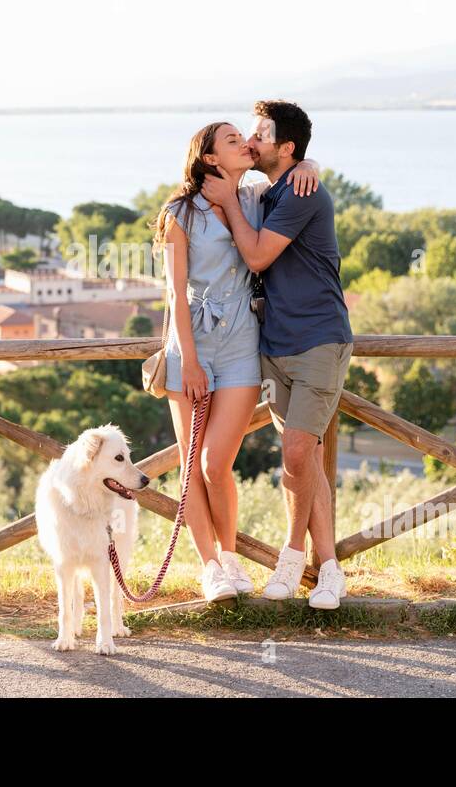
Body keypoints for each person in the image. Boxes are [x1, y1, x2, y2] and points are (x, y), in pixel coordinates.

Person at [153, 121, 320, 602]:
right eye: (232, 141)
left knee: (214, 463)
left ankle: (228, 556)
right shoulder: (178, 213)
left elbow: (291, 179)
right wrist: (188, 361)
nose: (244, 144)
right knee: (190, 467)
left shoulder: (253, 198)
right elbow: (176, 294)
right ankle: (213, 568)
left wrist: (309, 163)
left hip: (243, 344)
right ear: (209, 159)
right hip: (192, 347)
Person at [200, 100, 354, 609]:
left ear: (286, 148)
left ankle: (291, 556)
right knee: (304, 454)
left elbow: (259, 254)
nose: (251, 140)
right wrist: (226, 198)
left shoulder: (302, 191)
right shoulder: (266, 189)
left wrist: (227, 204)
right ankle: (329, 570)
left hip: (319, 342)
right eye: (247, 133)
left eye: (261, 134)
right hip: (274, 344)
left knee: (294, 451)